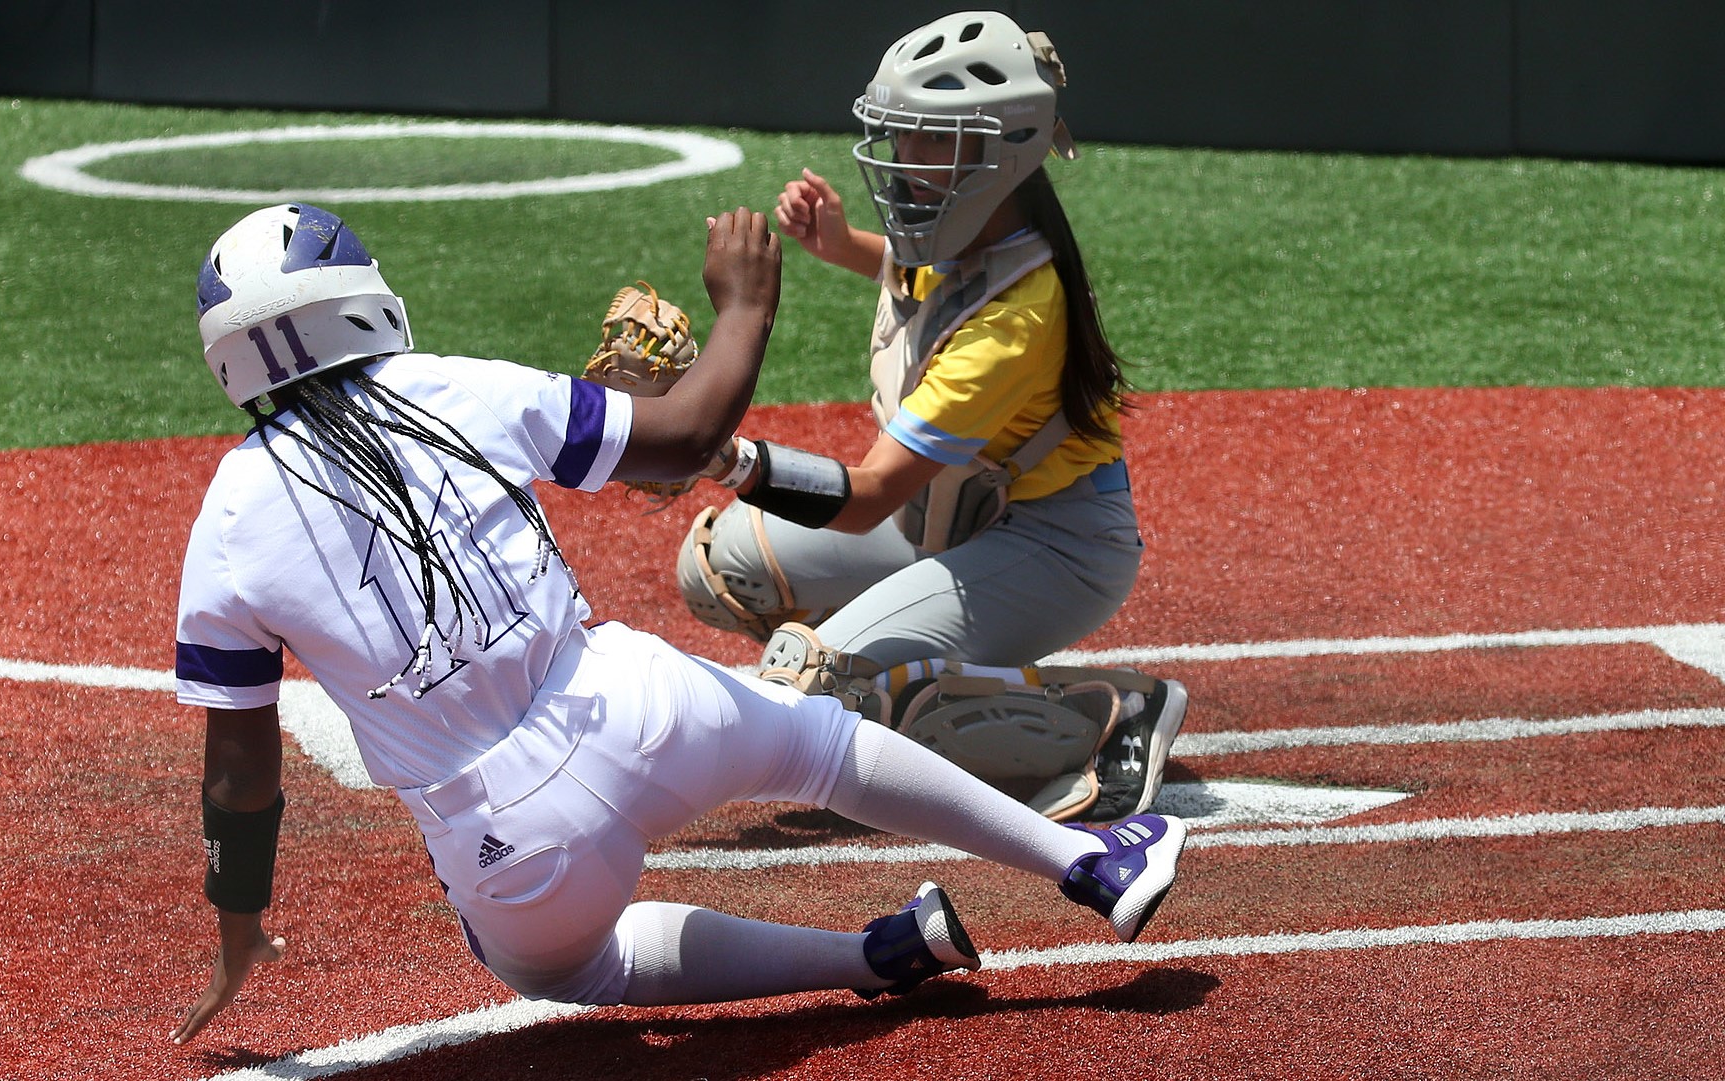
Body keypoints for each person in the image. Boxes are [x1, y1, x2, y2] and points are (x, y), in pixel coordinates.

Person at [168, 201, 1186, 1043]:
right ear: (361, 299)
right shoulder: (446, 384)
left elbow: (239, 776)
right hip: (633, 705)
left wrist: (237, 925)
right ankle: (1092, 861)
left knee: (567, 967)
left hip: (509, 844)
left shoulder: (223, 519)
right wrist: (745, 305)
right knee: (832, 748)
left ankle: (874, 956)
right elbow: (687, 436)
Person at [673, 10, 1186, 824]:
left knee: (817, 684)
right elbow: (927, 280)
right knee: (722, 564)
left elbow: (870, 493)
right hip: (955, 519)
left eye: (922, 139)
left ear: (997, 152)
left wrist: (724, 454)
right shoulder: (973, 232)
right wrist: (844, 245)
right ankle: (914, 668)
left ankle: (1102, 716)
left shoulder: (1016, 318)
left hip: (1054, 547)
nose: (900, 158)